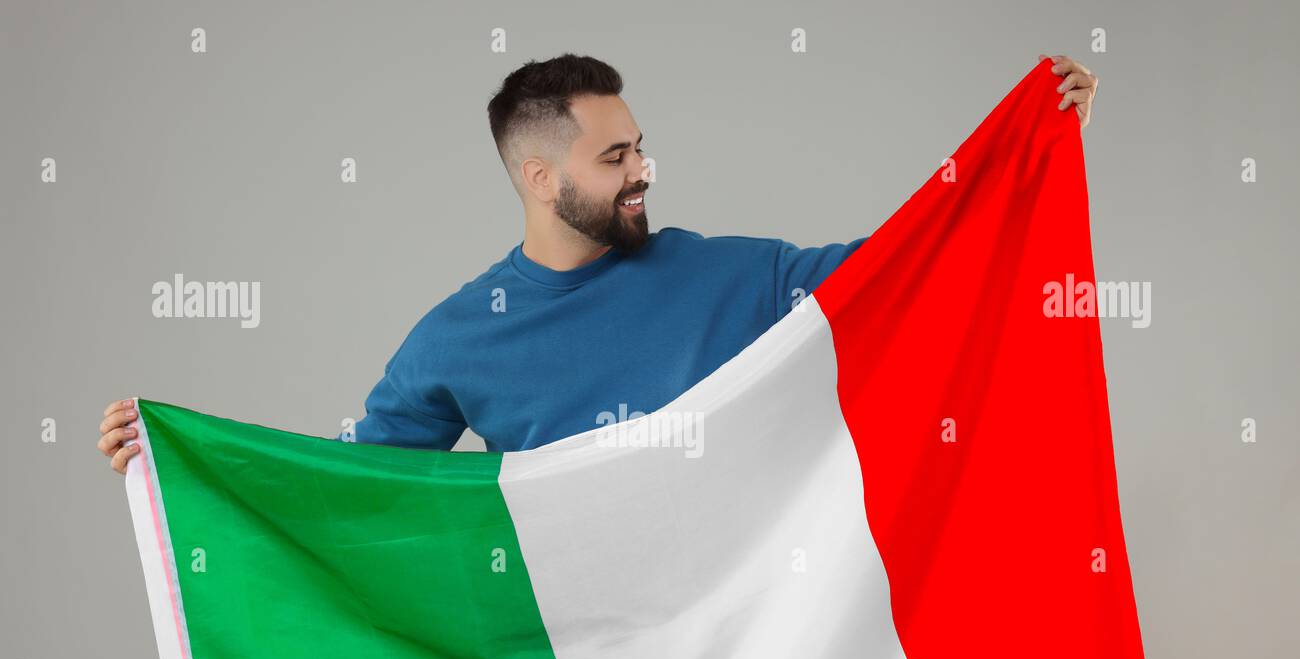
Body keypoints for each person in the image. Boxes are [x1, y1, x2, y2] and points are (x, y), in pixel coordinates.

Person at [99, 52, 1096, 469]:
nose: (642, 172)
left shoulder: (734, 275)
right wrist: (187, 456)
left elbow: (910, 266)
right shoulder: (456, 338)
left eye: (640, 149)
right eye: (614, 157)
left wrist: (1020, 161)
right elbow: (355, 495)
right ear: (539, 177)